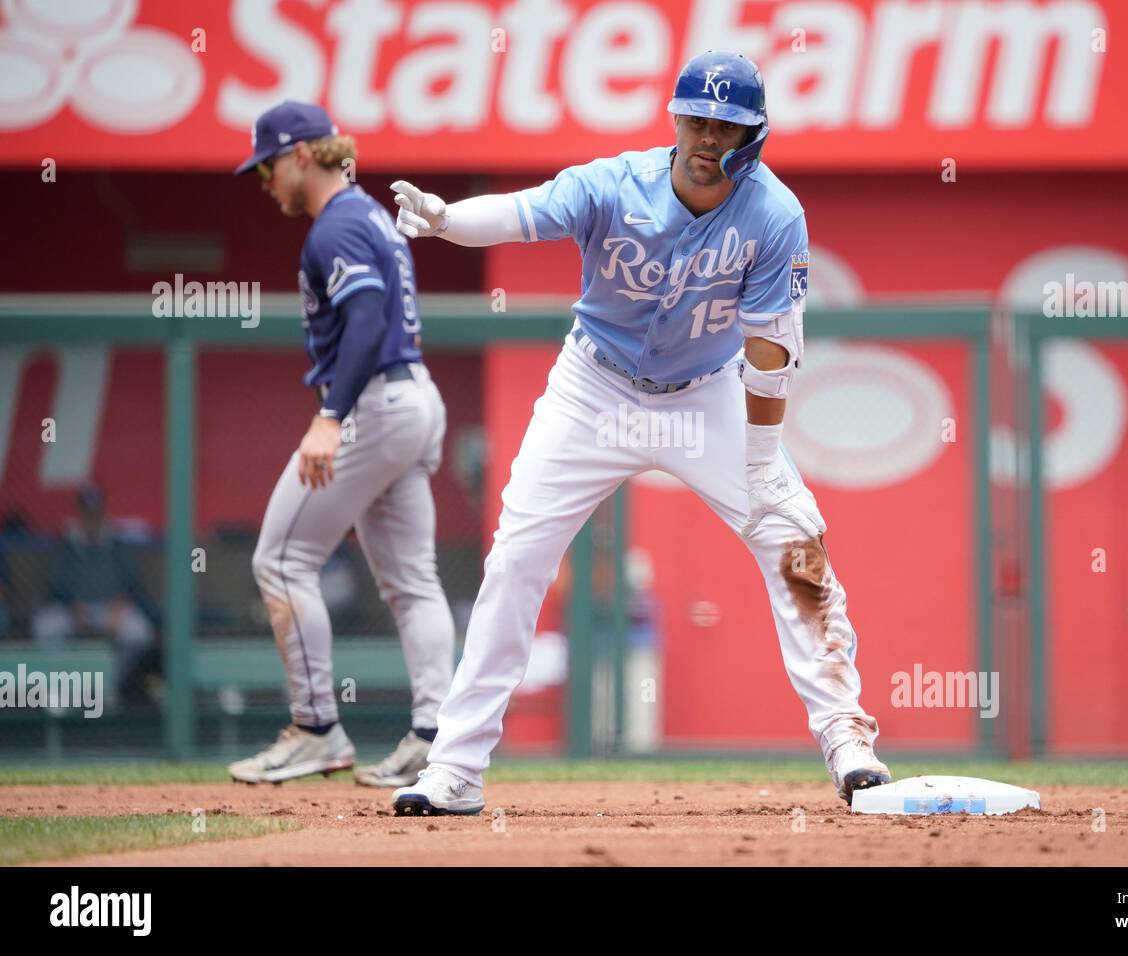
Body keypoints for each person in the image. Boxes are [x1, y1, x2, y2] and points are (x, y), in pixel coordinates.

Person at [388, 51, 890, 816]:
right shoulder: (615, 182)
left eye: (724, 124)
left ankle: (847, 737)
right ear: (675, 118)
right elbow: (526, 213)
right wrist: (447, 219)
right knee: (517, 557)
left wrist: (759, 463)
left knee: (796, 543)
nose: (705, 134)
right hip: (593, 386)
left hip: (706, 396)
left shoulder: (774, 215)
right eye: (694, 117)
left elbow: (771, 353)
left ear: (753, 135)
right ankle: (455, 768)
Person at [228, 101, 455, 787]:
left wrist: (330, 416)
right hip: (413, 395)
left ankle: (316, 728)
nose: (265, 181)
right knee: (414, 583)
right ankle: (435, 739)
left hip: (375, 403)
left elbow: (362, 320)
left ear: (301, 154)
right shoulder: (368, 217)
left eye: (269, 165)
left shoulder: (338, 226)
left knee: (281, 561)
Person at [31, 485, 159, 704]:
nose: (92, 520)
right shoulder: (66, 547)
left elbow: (134, 585)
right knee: (45, 627)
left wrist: (119, 607)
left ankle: (107, 683)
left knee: (139, 633)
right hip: (72, 610)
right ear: (79, 514)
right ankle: (68, 687)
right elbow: (55, 587)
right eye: (87, 514)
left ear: (103, 513)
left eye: (96, 514)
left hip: (111, 610)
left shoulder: (118, 546)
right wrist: (72, 608)